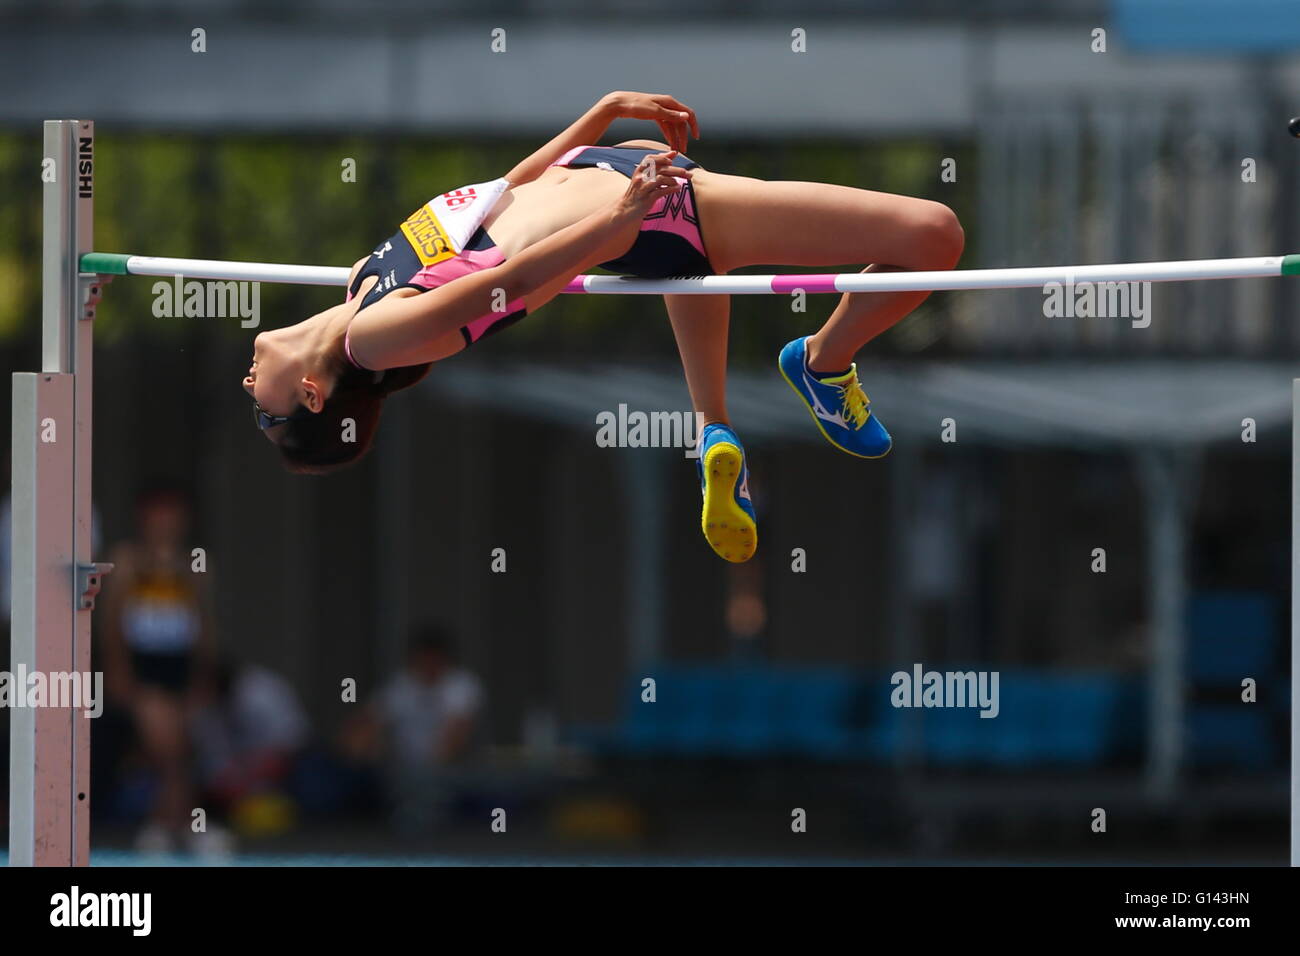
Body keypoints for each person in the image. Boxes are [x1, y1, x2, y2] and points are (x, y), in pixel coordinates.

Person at [243, 91, 964, 563]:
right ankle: (823, 361)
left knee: (696, 269)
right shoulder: (375, 338)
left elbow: (505, 193)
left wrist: (607, 109)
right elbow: (505, 286)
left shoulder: (361, 281)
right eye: (261, 412)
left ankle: (714, 427)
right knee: (933, 235)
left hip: (606, 173)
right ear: (312, 395)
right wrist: (615, 222)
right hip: (646, 207)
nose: (250, 386)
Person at [99, 483, 221, 855]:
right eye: (160, 517)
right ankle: (174, 823)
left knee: (181, 748)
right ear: (145, 519)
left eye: (174, 518)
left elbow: (203, 624)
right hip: (143, 665)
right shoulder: (127, 560)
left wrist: (203, 675)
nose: (167, 525)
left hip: (179, 665)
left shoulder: (194, 563)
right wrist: (117, 672)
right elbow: (111, 622)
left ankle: (170, 825)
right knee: (166, 748)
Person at [340, 625, 483, 832]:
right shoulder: (401, 686)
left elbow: (456, 737)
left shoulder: (462, 685)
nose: (429, 665)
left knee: (428, 784)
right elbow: (363, 727)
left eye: (434, 659)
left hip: (450, 771)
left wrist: (427, 770)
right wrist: (366, 749)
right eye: (424, 659)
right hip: (401, 772)